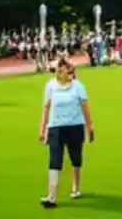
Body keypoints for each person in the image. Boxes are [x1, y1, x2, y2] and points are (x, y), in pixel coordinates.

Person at [38, 60, 93, 208]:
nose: (65, 73)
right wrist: (42, 127)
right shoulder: (50, 86)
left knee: (75, 157)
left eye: (68, 71)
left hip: (74, 126)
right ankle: (51, 196)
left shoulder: (78, 87)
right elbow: (46, 107)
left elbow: (85, 107)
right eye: (61, 70)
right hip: (56, 127)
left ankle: (75, 187)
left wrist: (90, 127)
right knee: (54, 161)